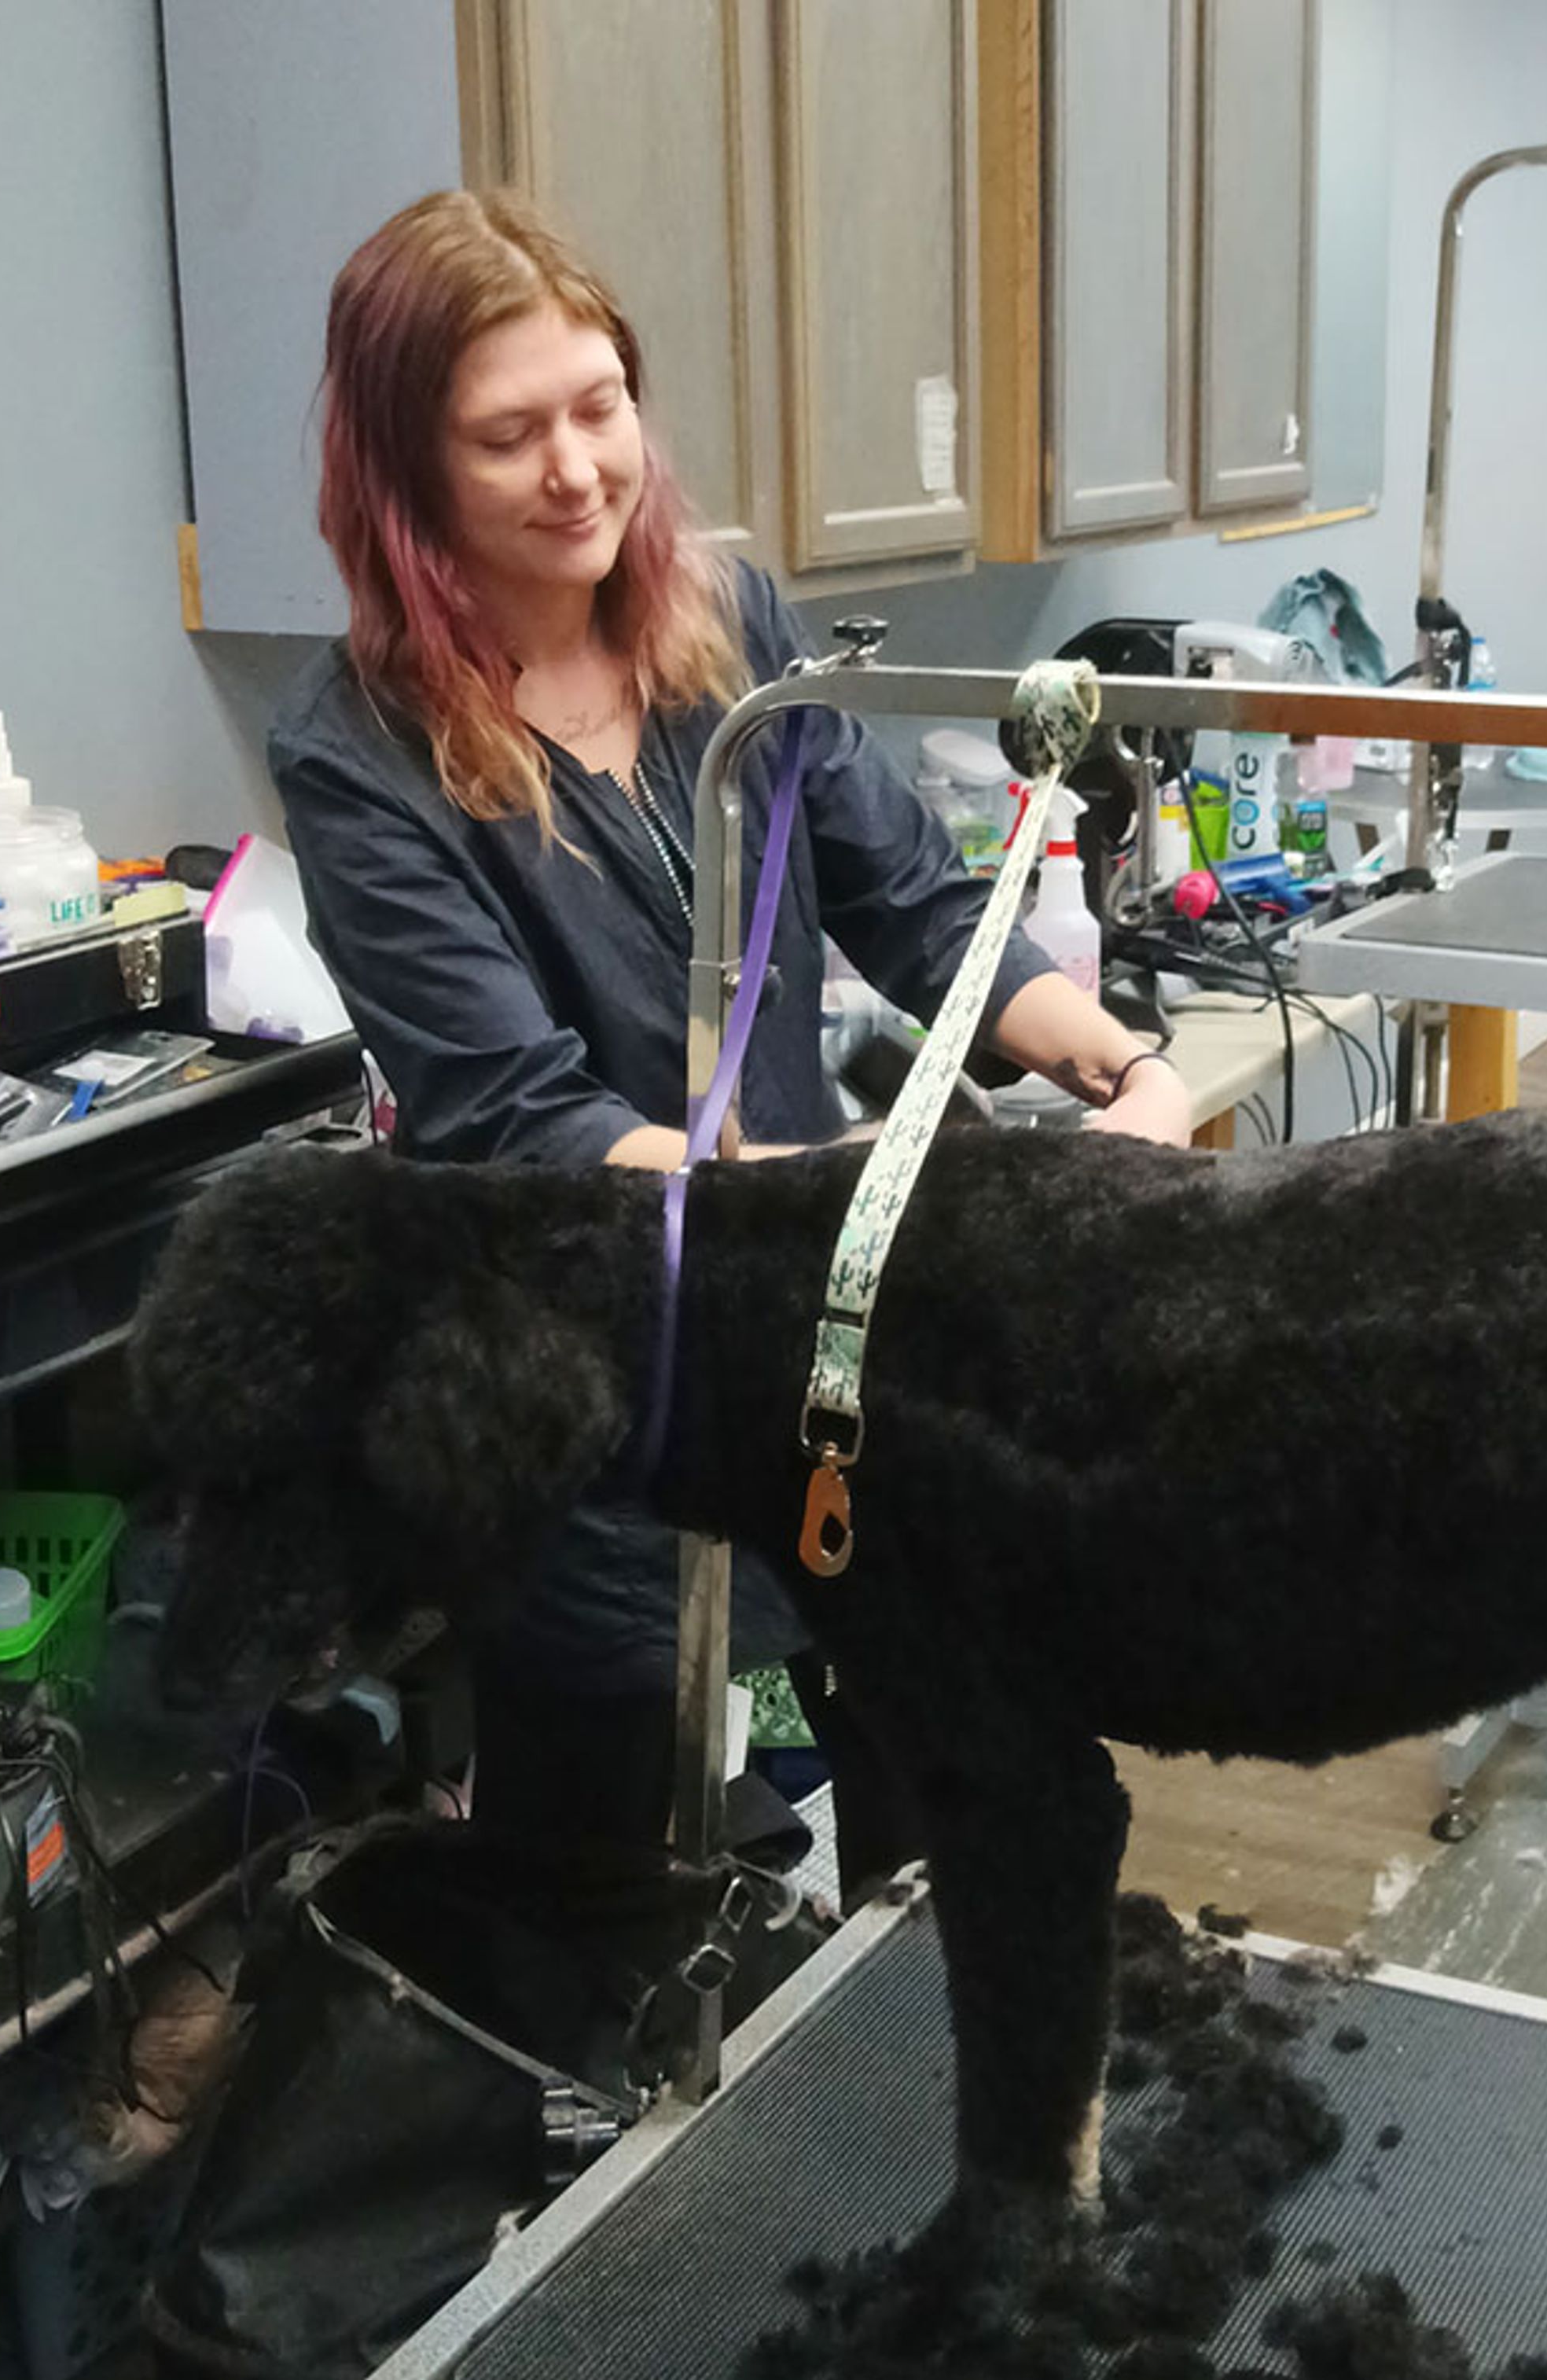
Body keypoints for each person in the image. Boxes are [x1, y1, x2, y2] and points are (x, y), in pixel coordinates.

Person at [269, 189, 1191, 1900]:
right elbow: (517, 1112)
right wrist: (833, 1207)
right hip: (587, 1403)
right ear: (404, 473)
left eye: (600, 406)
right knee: (613, 1894)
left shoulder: (730, 630)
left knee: (931, 1825)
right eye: (509, 436)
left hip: (825, 1349)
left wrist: (1123, 1065)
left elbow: (915, 901)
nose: (578, 471)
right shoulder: (361, 749)